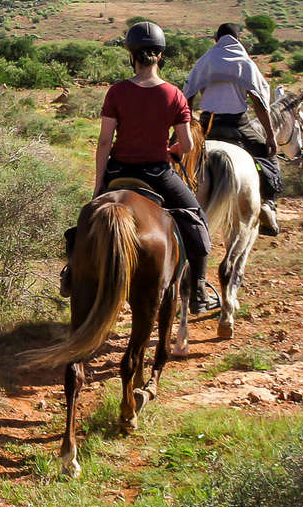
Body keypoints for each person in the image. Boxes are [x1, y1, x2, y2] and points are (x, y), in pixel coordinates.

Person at [85, 21, 215, 315]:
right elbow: (187, 145)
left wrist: (99, 184)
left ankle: (72, 275)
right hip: (158, 174)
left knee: (85, 223)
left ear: (131, 56)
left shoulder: (116, 92)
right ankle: (197, 290)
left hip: (119, 172)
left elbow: (105, 142)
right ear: (160, 56)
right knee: (196, 220)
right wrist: (170, 151)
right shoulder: (175, 95)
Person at [183, 23, 282, 234]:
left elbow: (188, 94)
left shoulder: (206, 60)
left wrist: (186, 123)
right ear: (239, 40)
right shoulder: (245, 62)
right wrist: (271, 136)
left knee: (179, 157)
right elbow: (259, 102)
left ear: (216, 40)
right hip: (238, 124)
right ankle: (268, 204)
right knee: (267, 157)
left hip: (207, 125)